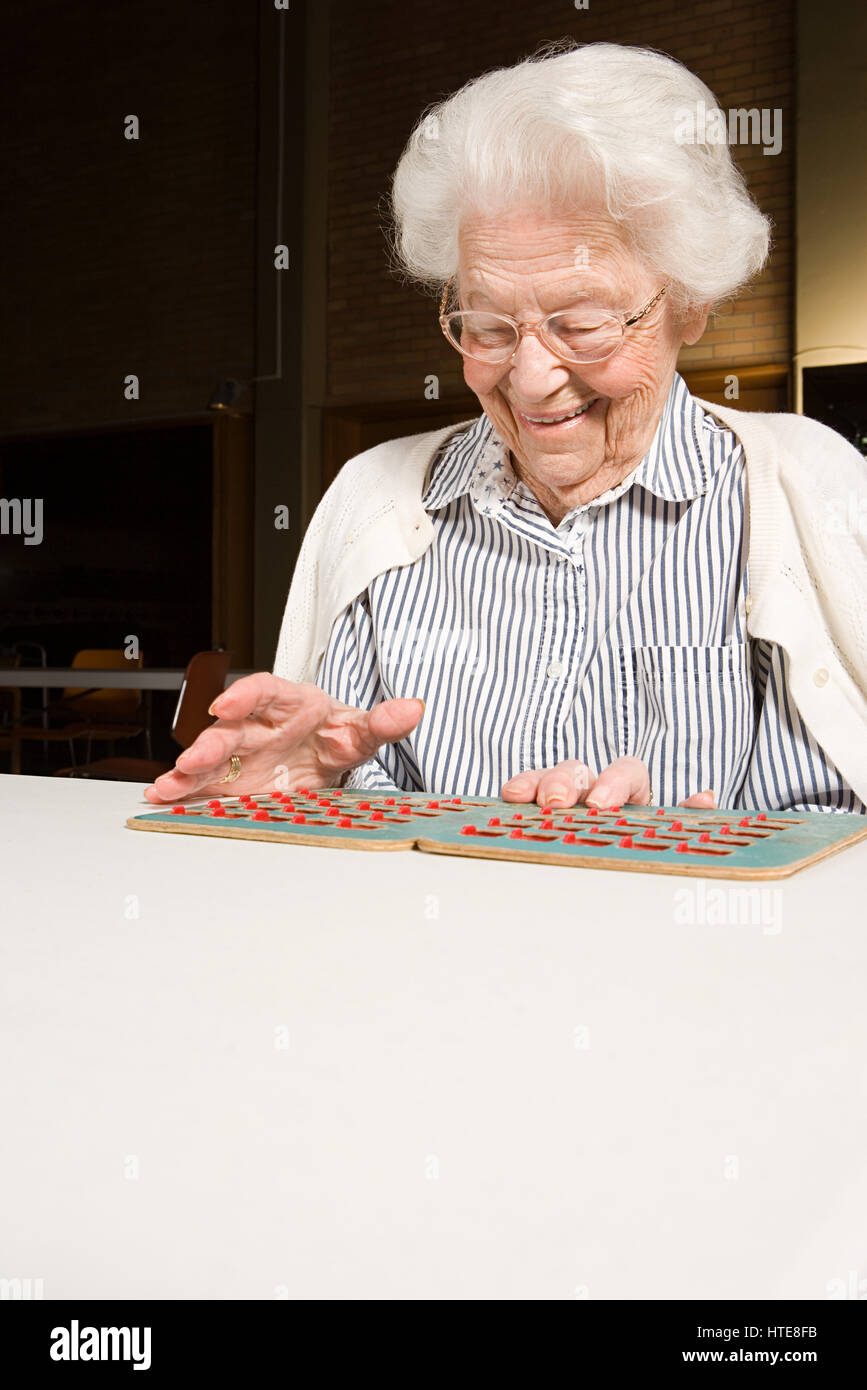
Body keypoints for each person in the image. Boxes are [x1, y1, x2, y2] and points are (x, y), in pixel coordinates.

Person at [146, 41, 866, 814]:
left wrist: (690, 851)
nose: (529, 379)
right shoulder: (374, 501)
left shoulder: (804, 491)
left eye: (581, 323)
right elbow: (341, 817)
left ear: (688, 304)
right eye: (486, 326)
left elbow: (838, 830)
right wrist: (305, 799)